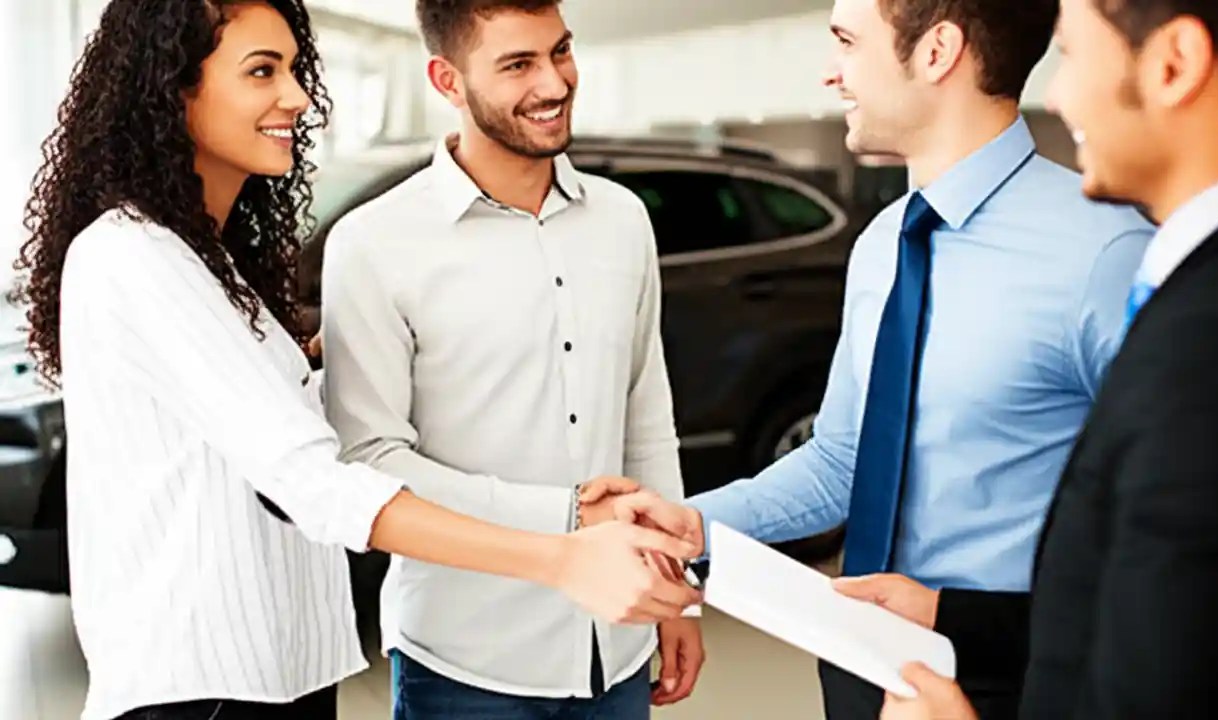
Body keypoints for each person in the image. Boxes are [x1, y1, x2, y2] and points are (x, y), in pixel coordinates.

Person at [10, 2, 700, 719]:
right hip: (204, 692)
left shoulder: (208, 263)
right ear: (170, 88)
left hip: (281, 675)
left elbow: (254, 434)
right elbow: (315, 479)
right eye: (261, 71)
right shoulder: (134, 257)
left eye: (291, 68)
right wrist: (563, 547)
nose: (299, 96)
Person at [676, 0, 1155, 717]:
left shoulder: (1105, 254)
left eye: (846, 41)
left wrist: (961, 619)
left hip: (1012, 681)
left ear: (937, 53)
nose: (831, 73)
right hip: (856, 660)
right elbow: (844, 460)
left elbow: (1159, 533)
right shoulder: (880, 244)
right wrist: (689, 526)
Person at [877, 0, 1218, 717]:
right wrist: (950, 617)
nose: (1055, 96)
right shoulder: (1208, 292)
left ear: (1173, 65)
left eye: (1070, 54)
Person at [319, 1, 702, 718]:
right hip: (464, 662)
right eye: (518, 64)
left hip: (616, 650)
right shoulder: (372, 244)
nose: (554, 83)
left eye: (560, 52)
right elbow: (369, 457)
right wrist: (566, 518)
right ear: (447, 79)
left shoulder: (624, 220)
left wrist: (676, 594)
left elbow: (646, 417)